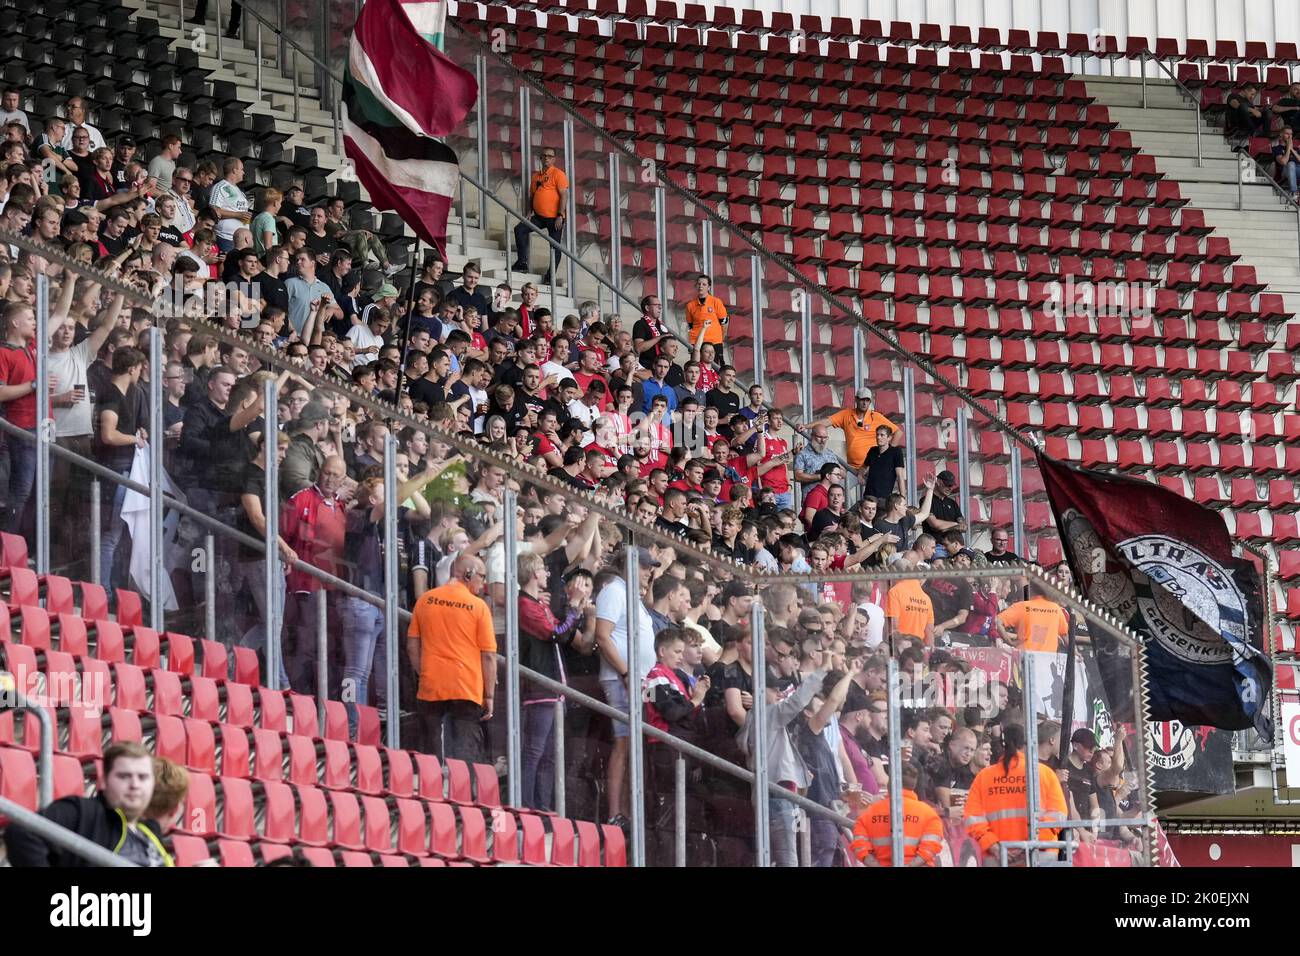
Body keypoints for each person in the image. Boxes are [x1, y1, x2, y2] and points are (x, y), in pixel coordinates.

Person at [4, 741, 173, 866]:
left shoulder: (150, 830)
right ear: (104, 781)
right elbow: (21, 831)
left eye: (142, 777)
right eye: (124, 776)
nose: (135, 785)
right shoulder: (83, 811)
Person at [593, 546, 659, 832]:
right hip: (622, 679)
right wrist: (626, 671)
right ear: (629, 566)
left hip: (641, 681)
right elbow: (602, 637)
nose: (649, 573)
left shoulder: (633, 595)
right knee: (623, 743)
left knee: (638, 744)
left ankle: (633, 811)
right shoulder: (614, 591)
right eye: (645, 567)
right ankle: (616, 812)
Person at [407, 554, 496, 763]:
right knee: (465, 758)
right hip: (466, 688)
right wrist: (489, 695)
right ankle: (461, 794)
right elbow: (489, 656)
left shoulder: (425, 600)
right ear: (468, 574)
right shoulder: (479, 607)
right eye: (482, 577)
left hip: (431, 687)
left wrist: (425, 672)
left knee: (431, 757)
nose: (483, 584)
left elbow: (412, 647)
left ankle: (433, 794)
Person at [517, 551, 589, 812]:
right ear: (534, 573)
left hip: (555, 685)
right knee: (535, 750)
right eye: (544, 569)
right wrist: (573, 607)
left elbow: (564, 631)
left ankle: (543, 806)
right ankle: (525, 804)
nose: (547, 573)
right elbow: (555, 634)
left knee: (549, 754)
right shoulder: (524, 604)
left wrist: (577, 610)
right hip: (540, 686)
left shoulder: (539, 604)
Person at [964, 724, 1068, 866]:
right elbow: (1058, 815)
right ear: (1027, 744)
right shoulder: (1044, 773)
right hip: (1040, 855)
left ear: (1002, 744)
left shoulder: (984, 777)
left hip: (997, 857)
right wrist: (1031, 844)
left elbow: (972, 818)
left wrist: (993, 846)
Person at [851, 762, 943, 866]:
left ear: (890, 784)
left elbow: (860, 847)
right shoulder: (929, 815)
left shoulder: (867, 814)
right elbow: (930, 848)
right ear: (914, 786)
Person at [799, 386, 899, 471]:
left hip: (872, 467)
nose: (864, 403)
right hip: (852, 468)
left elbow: (898, 432)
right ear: (856, 399)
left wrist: (887, 454)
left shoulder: (876, 416)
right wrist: (806, 426)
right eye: (862, 399)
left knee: (871, 493)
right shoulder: (846, 414)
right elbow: (827, 421)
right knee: (838, 488)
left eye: (867, 400)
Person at [512, 146, 568, 283]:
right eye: (544, 156)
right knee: (520, 229)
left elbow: (564, 195)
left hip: (555, 218)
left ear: (554, 159)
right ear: (541, 158)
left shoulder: (558, 174)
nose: (547, 158)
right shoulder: (536, 176)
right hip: (538, 216)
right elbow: (532, 195)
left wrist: (560, 215)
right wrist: (530, 210)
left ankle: (550, 276)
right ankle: (522, 263)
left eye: (550, 156)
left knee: (554, 246)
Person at [996, 581, 1069, 652]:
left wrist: (1010, 642)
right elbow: (1065, 637)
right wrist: (1075, 652)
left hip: (1024, 658)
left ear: (1030, 589)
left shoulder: (1022, 606)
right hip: (1048, 660)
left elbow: (997, 621)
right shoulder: (1056, 609)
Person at [684, 273, 728, 355]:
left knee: (715, 367)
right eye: (699, 284)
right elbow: (690, 326)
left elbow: (724, 322)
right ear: (696, 286)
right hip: (697, 342)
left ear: (709, 287)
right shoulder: (690, 305)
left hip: (715, 342)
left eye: (704, 284)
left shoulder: (716, 302)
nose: (701, 286)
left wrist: (720, 338)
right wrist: (690, 342)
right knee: (697, 367)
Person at [861, 424, 904, 499]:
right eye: (877, 435)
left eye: (882, 435)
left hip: (884, 498)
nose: (878, 437)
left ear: (889, 437)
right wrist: (860, 475)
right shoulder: (872, 450)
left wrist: (902, 497)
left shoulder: (896, 452)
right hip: (868, 496)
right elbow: (864, 467)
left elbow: (900, 476)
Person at [1274, 126, 1300, 201]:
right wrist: (1288, 148)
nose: (1289, 136)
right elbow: (1283, 162)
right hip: (1285, 171)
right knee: (1291, 163)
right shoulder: (1277, 148)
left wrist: (1292, 149)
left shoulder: (1296, 149)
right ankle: (1294, 193)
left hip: (1297, 169)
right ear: (1281, 135)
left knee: (1293, 164)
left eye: (1291, 134)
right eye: (1287, 134)